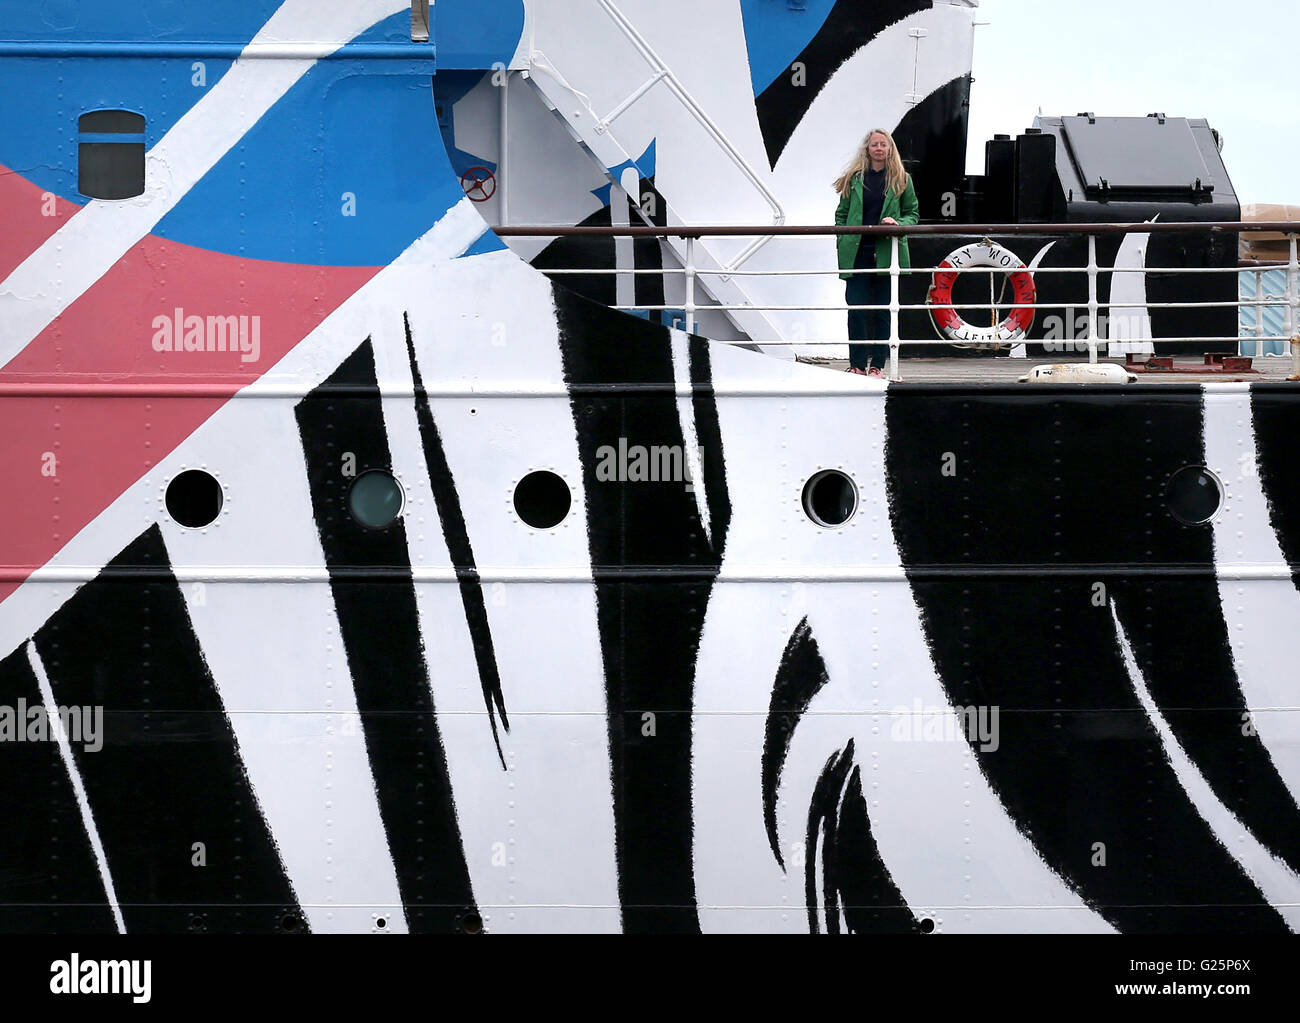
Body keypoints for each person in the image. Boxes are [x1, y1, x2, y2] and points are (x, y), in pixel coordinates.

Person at [833, 129, 919, 377]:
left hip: (886, 252)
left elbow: (912, 214)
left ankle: (877, 366)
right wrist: (843, 238)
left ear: (890, 149)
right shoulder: (854, 179)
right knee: (856, 308)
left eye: (883, 144)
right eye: (874, 145)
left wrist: (898, 223)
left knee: (883, 310)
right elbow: (841, 214)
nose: (879, 148)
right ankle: (857, 364)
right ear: (867, 149)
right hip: (857, 252)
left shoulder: (902, 179)